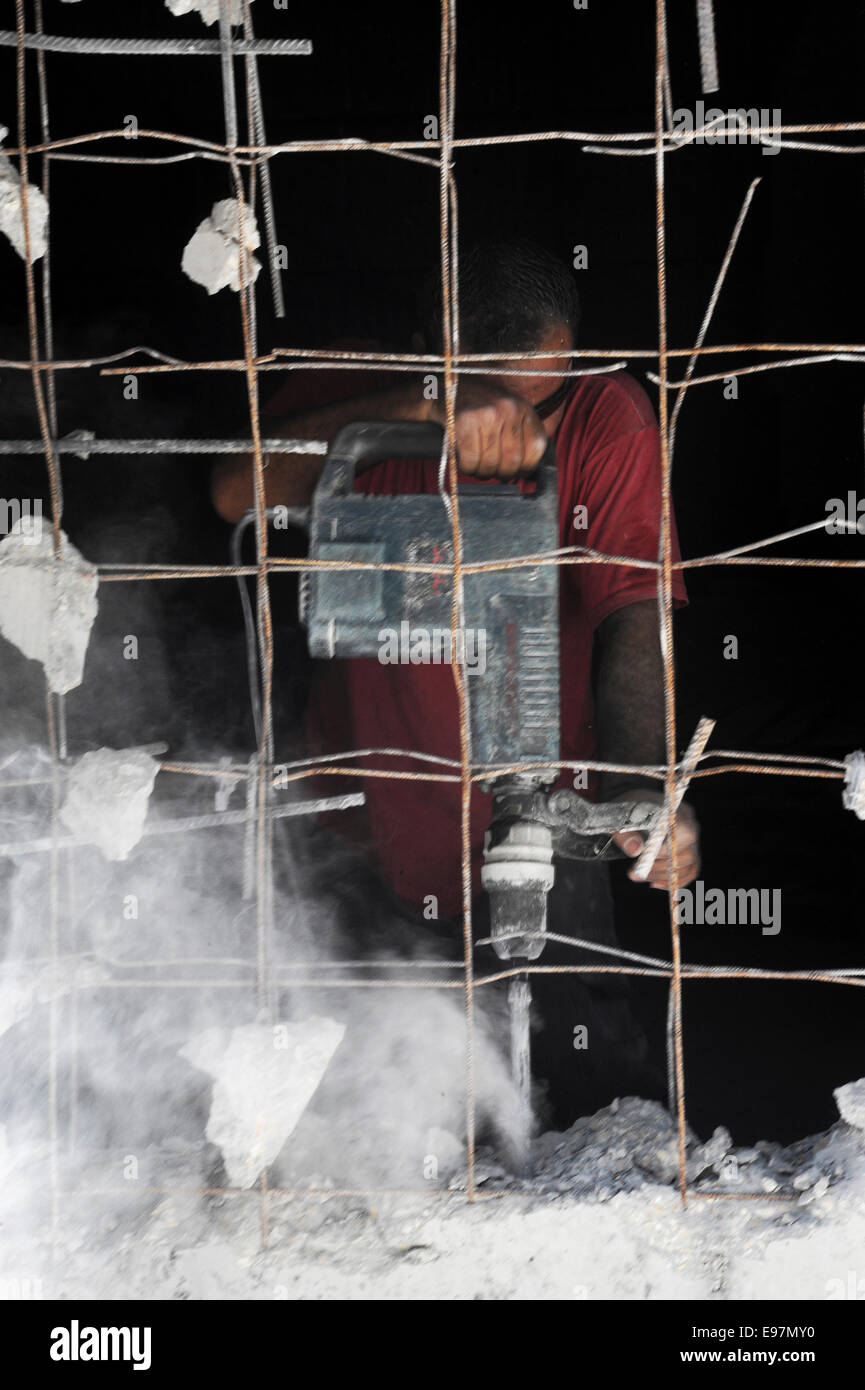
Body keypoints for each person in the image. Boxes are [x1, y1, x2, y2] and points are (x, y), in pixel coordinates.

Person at [211, 240, 700, 1127]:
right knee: (366, 1114)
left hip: (543, 831)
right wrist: (425, 404)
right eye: (501, 397)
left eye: (542, 394)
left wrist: (640, 791)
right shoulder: (346, 387)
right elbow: (234, 493)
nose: (523, 426)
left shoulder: (604, 412)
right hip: (355, 827)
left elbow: (636, 612)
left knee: (576, 1110)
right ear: (432, 342)